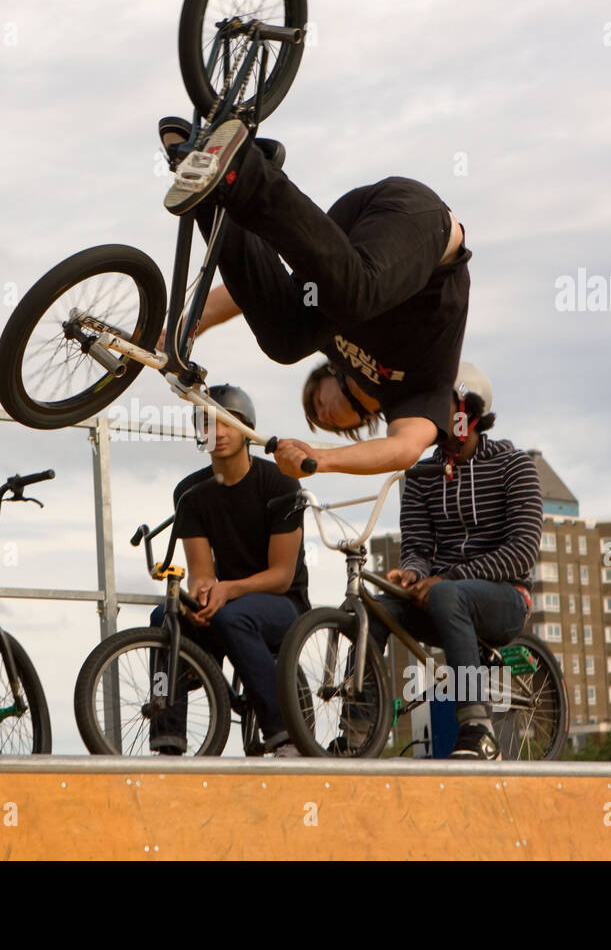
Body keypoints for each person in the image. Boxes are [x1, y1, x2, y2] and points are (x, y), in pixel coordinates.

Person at [159, 115, 469, 479]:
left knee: (286, 340)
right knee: (356, 298)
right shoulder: (419, 394)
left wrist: (180, 332)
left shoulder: (325, 329)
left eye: (322, 420)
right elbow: (403, 450)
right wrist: (323, 460)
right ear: (365, 419)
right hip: (425, 224)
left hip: (347, 236)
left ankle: (214, 194)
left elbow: (252, 294)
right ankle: (246, 168)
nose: (323, 416)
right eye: (322, 406)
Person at [368, 365, 542, 759]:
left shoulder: (514, 466)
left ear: (470, 412)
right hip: (440, 596)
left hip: (506, 598)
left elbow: (522, 551)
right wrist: (411, 573)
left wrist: (449, 578)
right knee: (372, 605)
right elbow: (417, 545)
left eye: (439, 405)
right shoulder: (420, 474)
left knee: (449, 595)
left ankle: (477, 729)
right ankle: (356, 726)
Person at [150, 384, 310, 756]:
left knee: (234, 618)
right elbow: (202, 571)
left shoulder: (280, 482)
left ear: (248, 430)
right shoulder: (190, 491)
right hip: (229, 602)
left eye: (226, 423)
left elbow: (282, 575)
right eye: (205, 424)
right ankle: (167, 739)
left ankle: (284, 734)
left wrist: (228, 590)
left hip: (283, 603)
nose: (217, 433)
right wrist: (204, 594)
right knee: (166, 616)